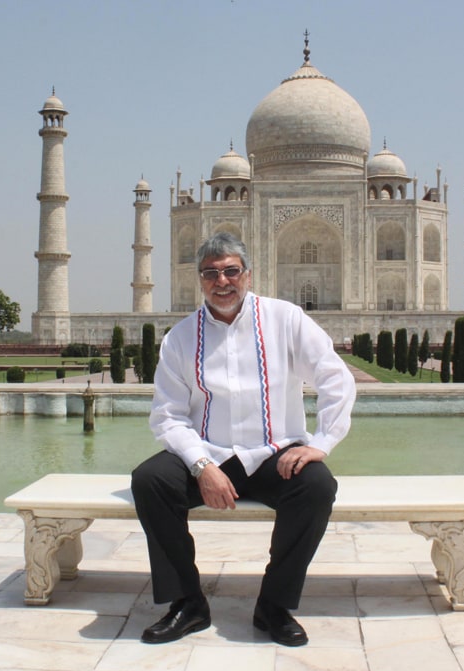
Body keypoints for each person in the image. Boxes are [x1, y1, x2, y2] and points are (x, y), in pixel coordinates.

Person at [131, 232, 356, 647]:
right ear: (200, 280)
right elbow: (167, 416)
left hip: (274, 453)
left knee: (317, 486)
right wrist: (202, 466)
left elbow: (335, 378)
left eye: (231, 271)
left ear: (248, 275)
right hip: (209, 453)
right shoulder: (181, 337)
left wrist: (320, 443)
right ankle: (187, 603)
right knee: (150, 481)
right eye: (212, 273)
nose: (222, 281)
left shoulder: (285, 319)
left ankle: (274, 605)